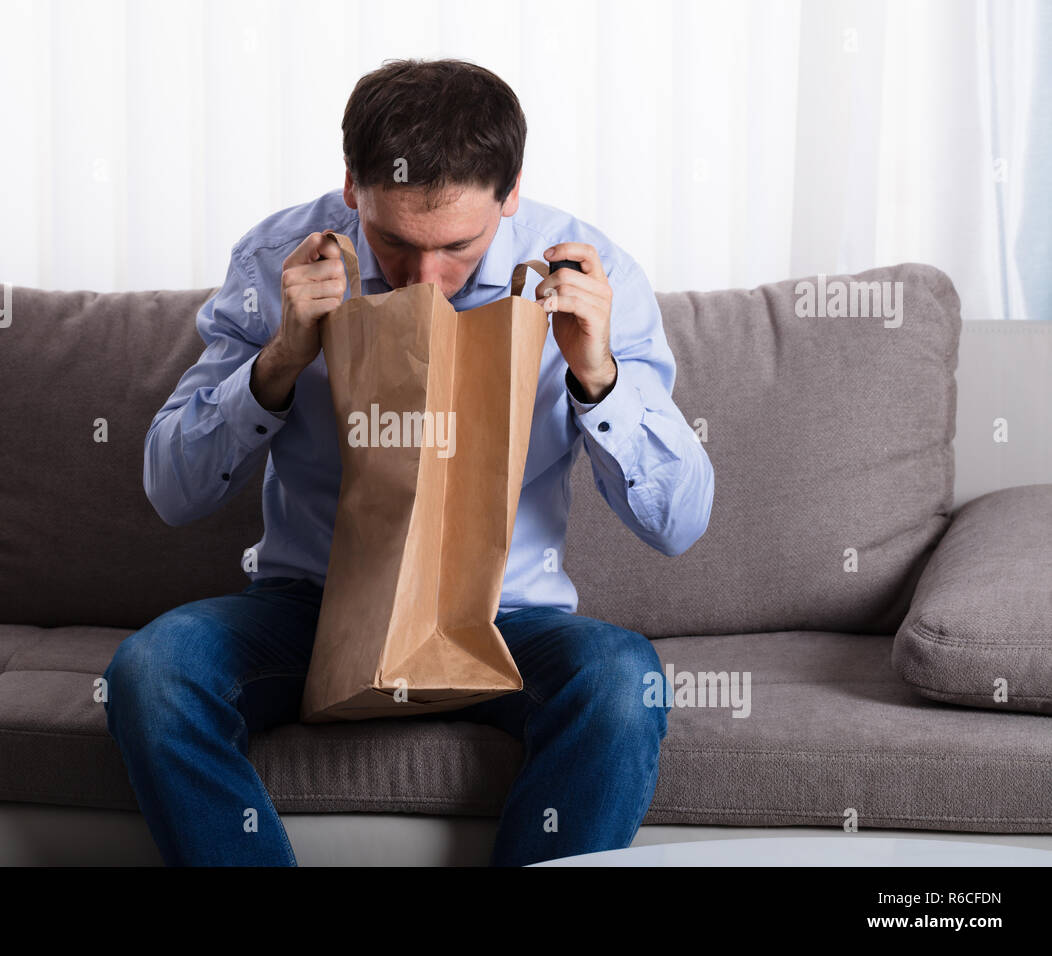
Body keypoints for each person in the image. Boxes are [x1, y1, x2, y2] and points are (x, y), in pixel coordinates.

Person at [103, 57, 714, 866]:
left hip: (506, 618)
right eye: (394, 242)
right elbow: (170, 490)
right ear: (352, 186)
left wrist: (597, 378)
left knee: (619, 680)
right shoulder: (277, 261)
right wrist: (278, 362)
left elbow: (681, 524)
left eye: (459, 246)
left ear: (512, 194)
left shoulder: (589, 273)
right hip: (310, 610)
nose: (426, 278)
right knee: (153, 672)